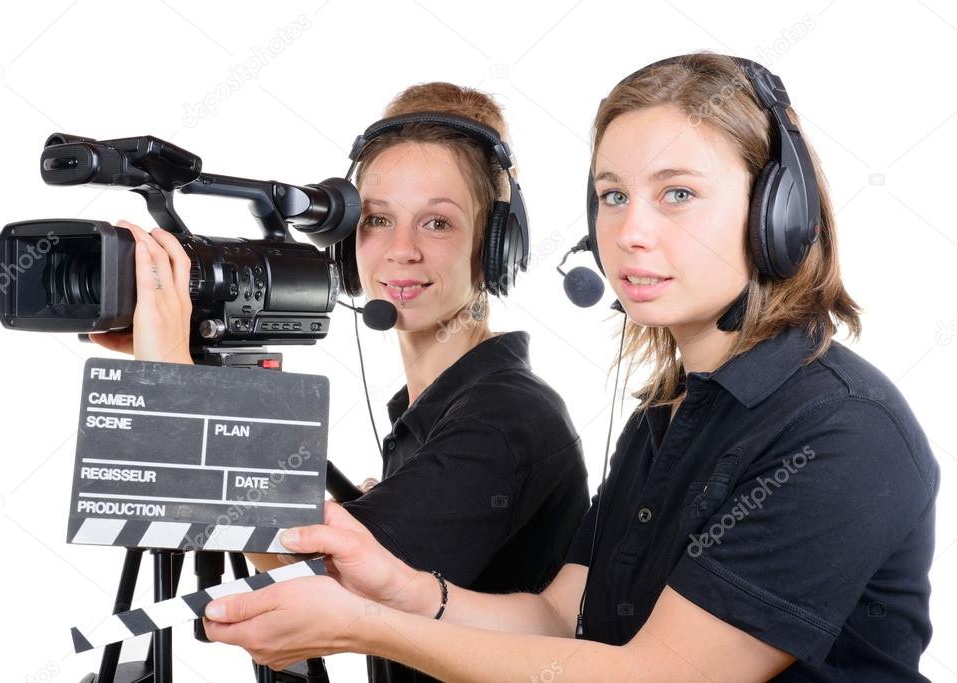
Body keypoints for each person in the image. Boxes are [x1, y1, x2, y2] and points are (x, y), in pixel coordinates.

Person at [202, 54, 940, 682]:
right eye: (613, 196)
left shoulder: (841, 430)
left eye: (678, 194)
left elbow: (658, 676)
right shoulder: (664, 417)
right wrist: (402, 589)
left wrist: (364, 625)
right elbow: (561, 617)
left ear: (777, 215)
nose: (630, 232)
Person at [93, 82, 590, 683]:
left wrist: (177, 386)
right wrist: (191, 370)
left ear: (494, 248)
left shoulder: (505, 417)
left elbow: (319, 586)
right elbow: (305, 564)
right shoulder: (439, 407)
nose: (401, 250)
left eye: (437, 222)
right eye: (377, 219)